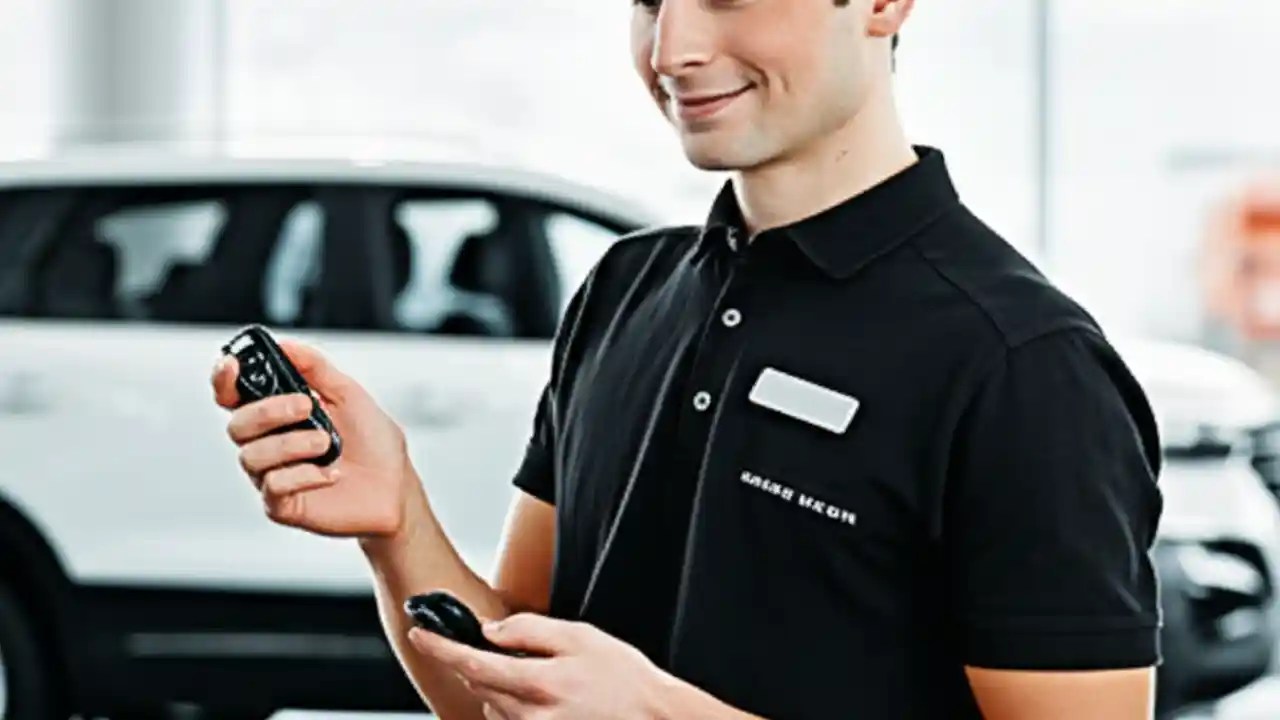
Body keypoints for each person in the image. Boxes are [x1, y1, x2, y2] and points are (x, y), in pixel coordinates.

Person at [210, 0, 1164, 717]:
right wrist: (396, 520)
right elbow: (506, 693)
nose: (671, 49)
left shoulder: (1023, 365)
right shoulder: (625, 290)